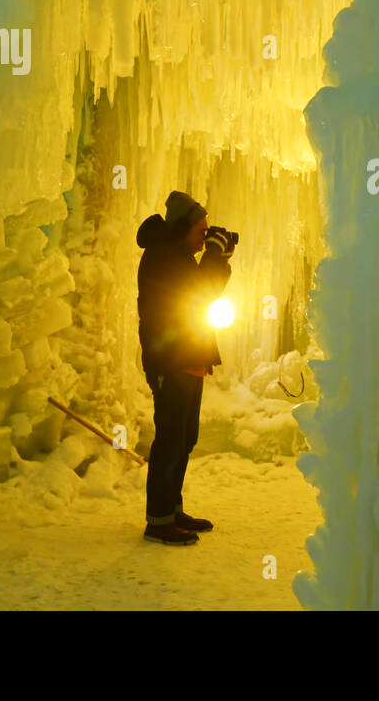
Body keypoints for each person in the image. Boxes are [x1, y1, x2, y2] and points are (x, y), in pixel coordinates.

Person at [135, 190, 234, 545]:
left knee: (184, 439)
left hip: (188, 360)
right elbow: (197, 292)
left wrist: (218, 259)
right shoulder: (163, 257)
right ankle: (158, 522)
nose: (204, 237)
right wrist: (214, 258)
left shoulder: (177, 255)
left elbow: (205, 293)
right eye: (201, 230)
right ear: (182, 228)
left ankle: (172, 509)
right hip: (170, 362)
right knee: (170, 440)